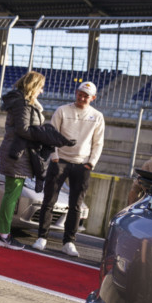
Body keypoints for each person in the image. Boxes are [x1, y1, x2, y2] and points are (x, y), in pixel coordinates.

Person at [0, 71, 75, 250]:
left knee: (12, 195)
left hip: (20, 153)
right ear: (33, 86)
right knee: (12, 195)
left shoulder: (25, 103)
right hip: (17, 154)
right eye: (41, 87)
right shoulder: (22, 103)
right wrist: (43, 136)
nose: (42, 91)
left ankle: (3, 233)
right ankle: (3, 235)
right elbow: (23, 129)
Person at [34, 81, 105, 257]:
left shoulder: (97, 116)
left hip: (82, 164)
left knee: (76, 205)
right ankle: (42, 237)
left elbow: (98, 142)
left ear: (93, 98)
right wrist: (55, 157)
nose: (82, 98)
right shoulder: (62, 111)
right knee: (49, 200)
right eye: (80, 94)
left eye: (86, 96)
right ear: (75, 93)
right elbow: (52, 134)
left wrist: (91, 163)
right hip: (61, 161)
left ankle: (69, 242)